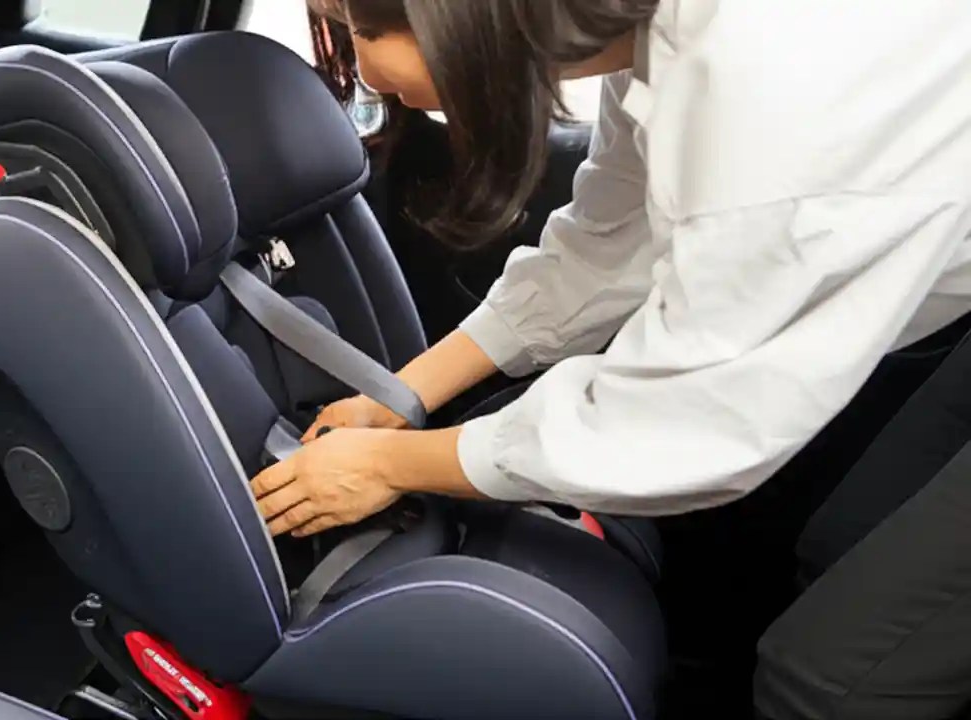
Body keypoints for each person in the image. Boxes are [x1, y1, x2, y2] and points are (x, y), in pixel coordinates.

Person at [250, 0, 971, 715]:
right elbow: (606, 251)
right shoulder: (657, 41)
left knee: (834, 680)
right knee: (837, 548)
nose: (363, 70)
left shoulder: (769, 102)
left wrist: (387, 467)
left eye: (364, 32)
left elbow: (686, 422)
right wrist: (398, 400)